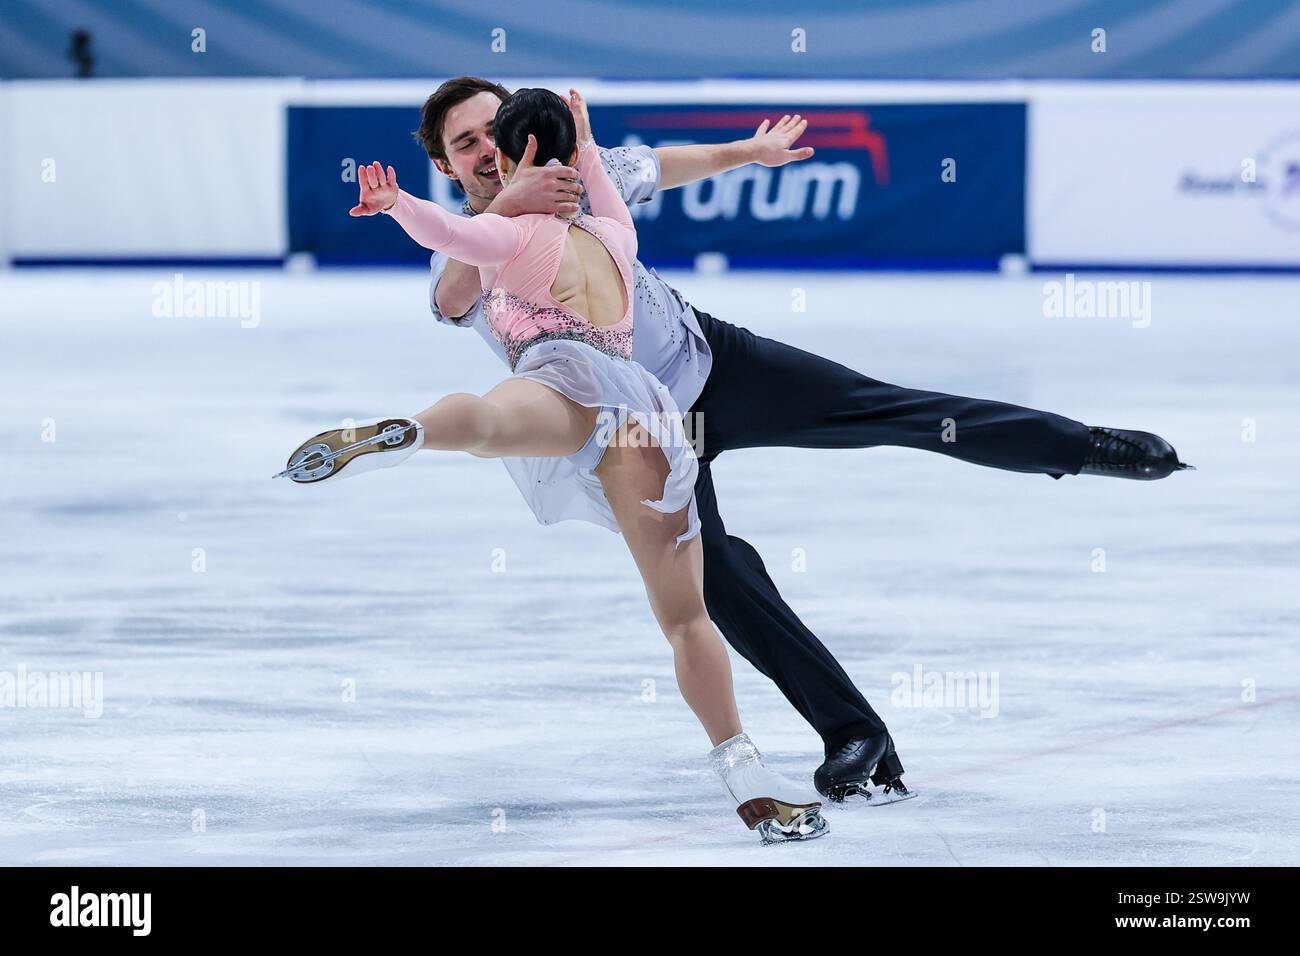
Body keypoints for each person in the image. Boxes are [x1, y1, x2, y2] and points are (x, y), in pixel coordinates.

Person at [408, 77, 1193, 806]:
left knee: (886, 409)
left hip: (712, 365)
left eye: (489, 132)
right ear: (446, 164)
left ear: (514, 129)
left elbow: (659, 165)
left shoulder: (581, 168)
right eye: (464, 144)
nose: (482, 150)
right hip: (641, 436)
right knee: (723, 584)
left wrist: (746, 153)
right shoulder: (472, 241)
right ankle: (856, 734)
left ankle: (1078, 446)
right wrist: (509, 204)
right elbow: (451, 291)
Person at [278, 88, 827, 844]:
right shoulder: (614, 232)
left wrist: (399, 200)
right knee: (686, 616)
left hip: (555, 380)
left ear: (508, 152)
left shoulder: (505, 237)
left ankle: (408, 431)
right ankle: (748, 780)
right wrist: (585, 148)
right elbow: (588, 187)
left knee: (492, 420)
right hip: (641, 409)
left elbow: (444, 234)